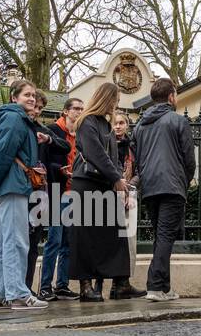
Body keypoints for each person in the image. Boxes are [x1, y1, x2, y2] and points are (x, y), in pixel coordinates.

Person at [0, 79, 49, 311]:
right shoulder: (15, 119)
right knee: (16, 241)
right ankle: (18, 294)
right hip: (15, 186)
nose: (31, 98)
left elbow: (4, 153)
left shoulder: (15, 119)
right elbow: (2, 154)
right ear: (14, 98)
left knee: (2, 241)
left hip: (12, 185)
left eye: (33, 95)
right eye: (26, 95)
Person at [68, 83, 136, 301]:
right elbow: (95, 153)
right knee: (86, 237)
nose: (117, 104)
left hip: (104, 183)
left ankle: (120, 283)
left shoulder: (105, 124)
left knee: (117, 234)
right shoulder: (87, 122)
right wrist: (116, 178)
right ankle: (85, 287)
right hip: (86, 183)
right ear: (106, 99)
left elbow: (113, 158)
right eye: (115, 100)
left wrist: (119, 179)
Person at [131, 76, 195, 301]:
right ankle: (155, 286)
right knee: (166, 236)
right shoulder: (178, 121)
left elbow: (137, 159)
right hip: (172, 186)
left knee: (161, 237)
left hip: (149, 187)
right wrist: (184, 181)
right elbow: (189, 159)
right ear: (170, 96)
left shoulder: (140, 126)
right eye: (175, 94)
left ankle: (164, 287)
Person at [23, 92, 68, 294]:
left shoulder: (42, 129)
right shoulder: (17, 126)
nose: (37, 111)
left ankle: (27, 287)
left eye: (40, 108)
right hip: (18, 190)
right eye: (35, 106)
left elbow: (65, 145)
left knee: (34, 241)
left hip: (40, 191)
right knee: (17, 242)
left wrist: (49, 138)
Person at [40, 96, 82, 301]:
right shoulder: (52, 131)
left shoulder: (81, 134)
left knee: (68, 242)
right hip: (56, 191)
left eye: (82, 109)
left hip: (74, 193)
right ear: (65, 111)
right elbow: (44, 161)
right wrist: (60, 171)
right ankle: (45, 286)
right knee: (54, 240)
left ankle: (62, 285)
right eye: (76, 108)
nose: (79, 112)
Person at [112, 112, 142, 292]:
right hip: (111, 195)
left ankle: (123, 283)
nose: (118, 126)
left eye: (121, 123)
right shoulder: (107, 144)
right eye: (115, 123)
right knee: (112, 240)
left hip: (130, 195)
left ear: (127, 125)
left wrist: (130, 190)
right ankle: (106, 282)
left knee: (129, 240)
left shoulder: (133, 147)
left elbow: (139, 170)